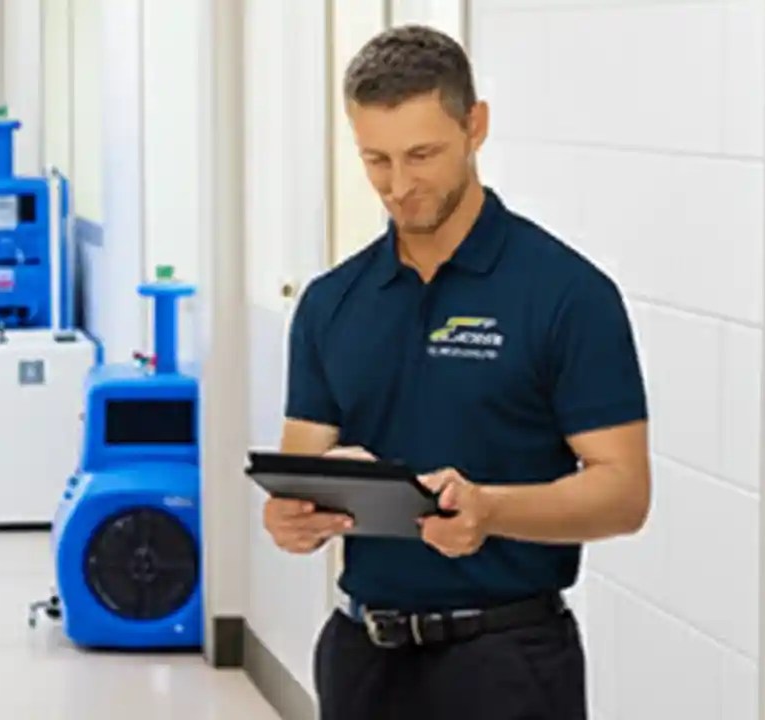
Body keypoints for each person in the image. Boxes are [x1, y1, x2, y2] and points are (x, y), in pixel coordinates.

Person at [263, 25, 652, 720]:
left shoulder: (568, 295)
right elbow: (301, 471)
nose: (399, 186)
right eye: (376, 159)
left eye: (422, 155)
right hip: (362, 658)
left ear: (475, 126)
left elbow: (624, 494)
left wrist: (491, 511)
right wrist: (293, 518)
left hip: (507, 662)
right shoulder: (329, 304)